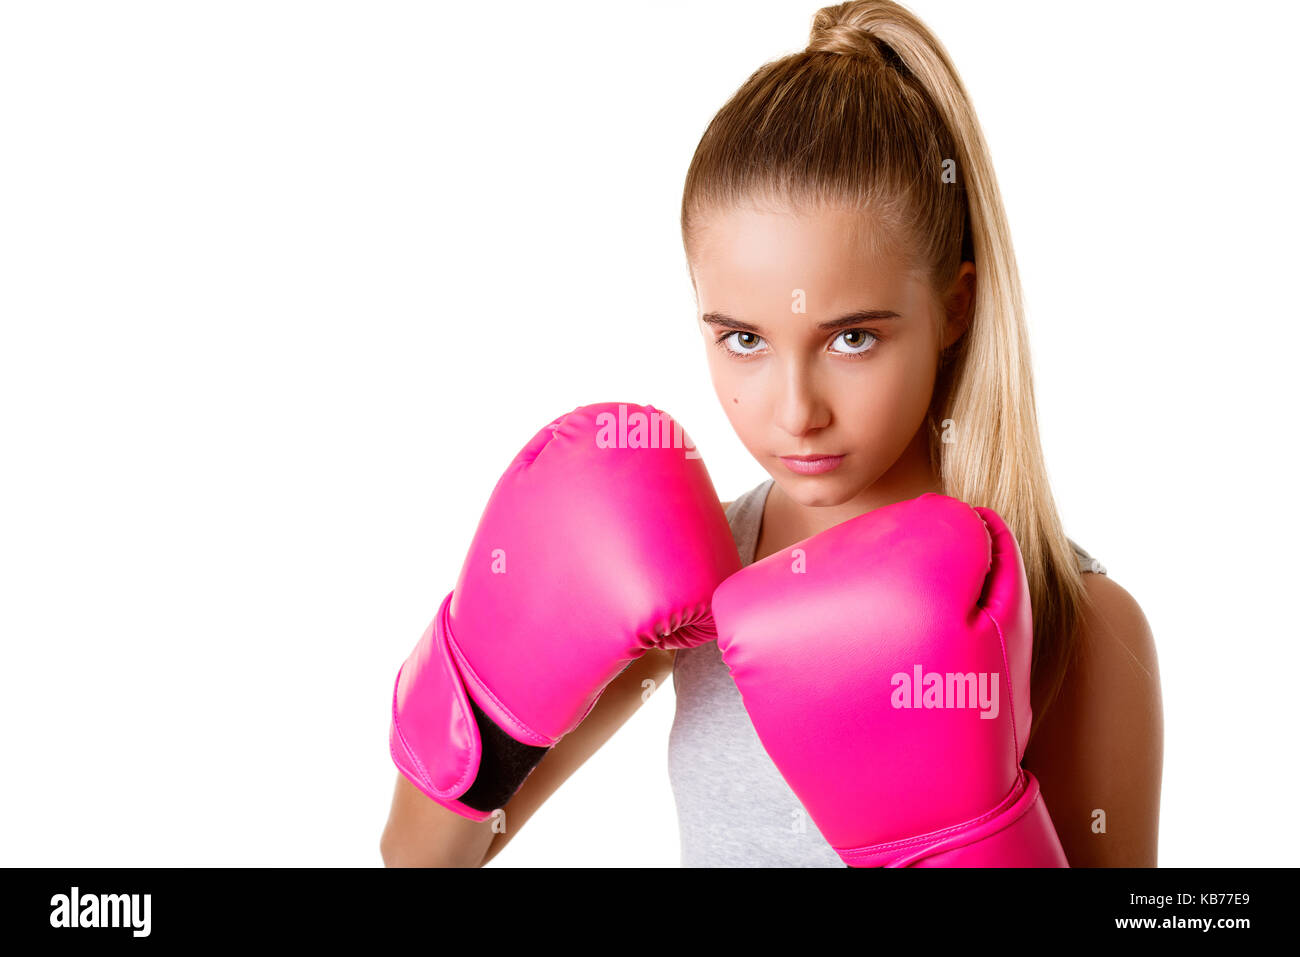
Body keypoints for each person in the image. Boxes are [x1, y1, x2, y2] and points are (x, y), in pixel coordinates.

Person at [379, 0, 1162, 868]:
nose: (796, 410)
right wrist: (480, 697)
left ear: (955, 307)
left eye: (851, 337)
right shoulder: (683, 577)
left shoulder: (1074, 620)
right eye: (743, 339)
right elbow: (425, 860)